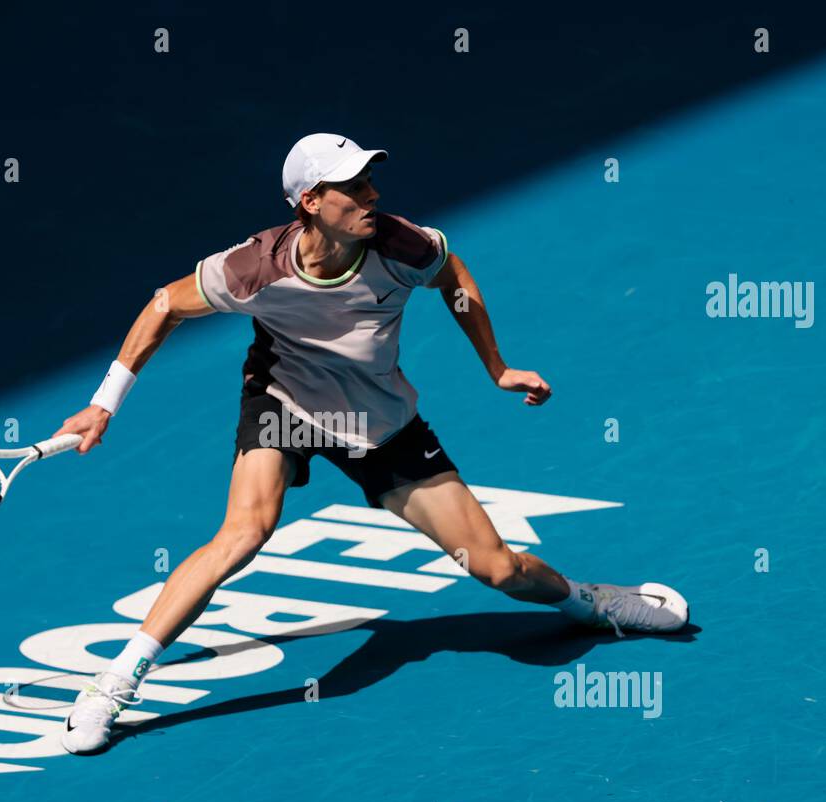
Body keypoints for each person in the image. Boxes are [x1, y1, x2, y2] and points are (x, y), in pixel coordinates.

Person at [53, 133, 688, 755]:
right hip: (284, 406)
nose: (371, 195)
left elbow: (454, 279)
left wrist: (497, 366)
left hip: (380, 427)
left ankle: (590, 602)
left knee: (498, 568)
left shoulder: (401, 244)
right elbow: (165, 303)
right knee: (243, 532)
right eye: (351, 188)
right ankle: (113, 684)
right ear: (310, 203)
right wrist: (102, 405)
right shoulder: (256, 268)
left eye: (369, 181)